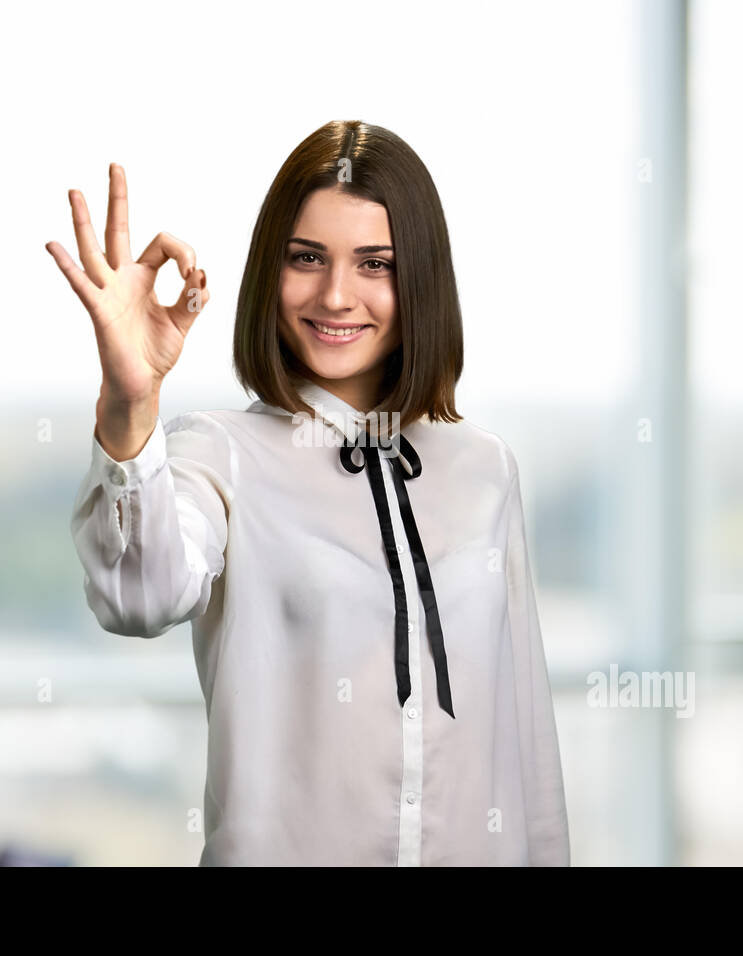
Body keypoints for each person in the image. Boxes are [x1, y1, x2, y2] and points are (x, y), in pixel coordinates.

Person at [47, 120, 570, 866]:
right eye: (307, 259)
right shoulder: (220, 454)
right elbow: (137, 598)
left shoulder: (485, 468)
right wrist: (131, 407)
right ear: (272, 270)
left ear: (420, 276)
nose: (335, 294)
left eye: (374, 263)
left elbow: (528, 754)